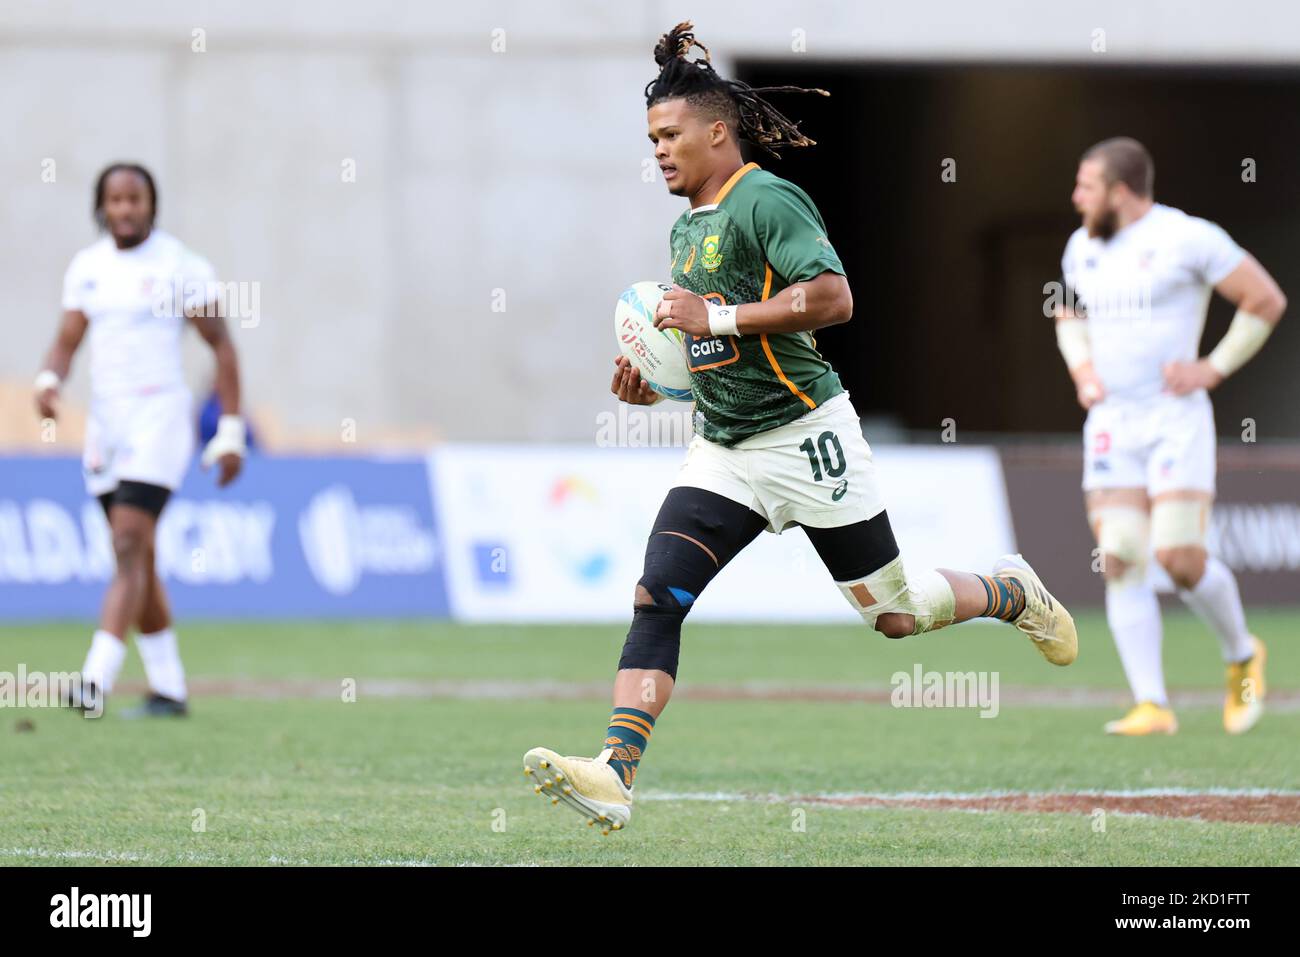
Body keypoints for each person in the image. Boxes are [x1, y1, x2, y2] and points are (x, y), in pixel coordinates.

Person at [521, 23, 1077, 834]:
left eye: (671, 135)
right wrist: (658, 388)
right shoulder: (686, 229)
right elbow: (718, 347)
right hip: (725, 448)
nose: (661, 152)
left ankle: (1009, 590)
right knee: (657, 594)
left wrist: (715, 312)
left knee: (896, 615)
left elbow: (832, 297)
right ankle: (615, 771)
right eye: (652, 139)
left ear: (718, 130)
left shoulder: (767, 199)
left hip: (807, 438)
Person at [1054, 137, 1285, 736]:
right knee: (1122, 555)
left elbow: (1264, 298)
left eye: (1086, 185)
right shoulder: (1082, 246)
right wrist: (1082, 371)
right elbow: (1068, 312)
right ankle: (1151, 704)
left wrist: (1212, 368)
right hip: (1112, 424)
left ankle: (1241, 654)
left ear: (1120, 191)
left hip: (1175, 420)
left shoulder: (1188, 237)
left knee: (1179, 560)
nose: (1076, 196)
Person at [35, 163, 249, 718]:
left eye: (135, 199)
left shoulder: (180, 266)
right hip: (108, 424)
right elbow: (66, 340)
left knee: (128, 542)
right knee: (140, 555)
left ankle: (94, 681)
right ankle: (169, 688)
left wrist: (229, 431)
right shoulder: (88, 268)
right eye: (116, 200)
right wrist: (49, 381)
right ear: (101, 206)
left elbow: (221, 347)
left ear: (152, 205)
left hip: (160, 416)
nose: (125, 209)